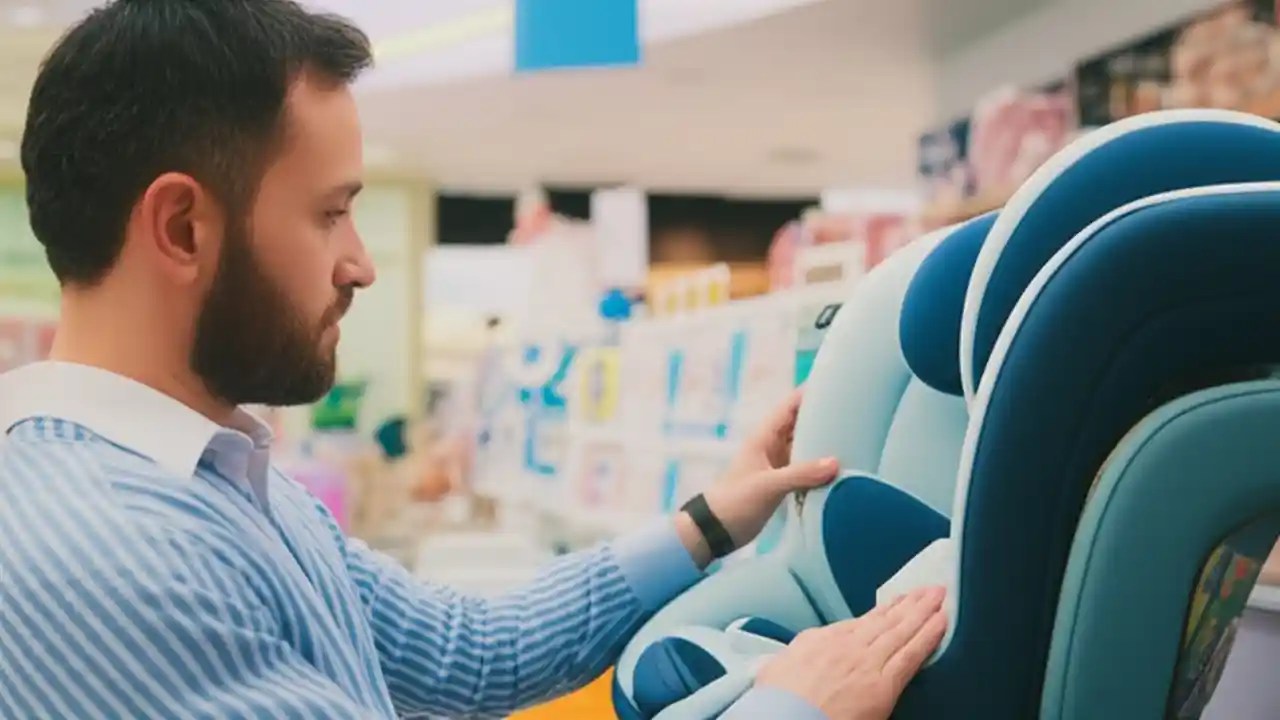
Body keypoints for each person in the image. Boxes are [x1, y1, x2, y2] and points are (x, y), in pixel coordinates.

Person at [0, 1, 946, 718]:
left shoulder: (219, 477)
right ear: (181, 226)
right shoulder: (103, 550)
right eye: (329, 213)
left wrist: (708, 521)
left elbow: (466, 652)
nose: (360, 263)